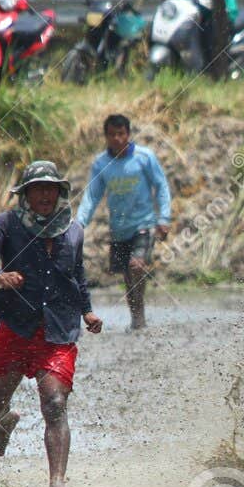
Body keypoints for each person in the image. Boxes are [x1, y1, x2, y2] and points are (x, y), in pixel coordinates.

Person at [0, 161, 103, 487]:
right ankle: (4, 420)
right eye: (37, 188)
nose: (44, 194)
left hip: (58, 332)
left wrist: (87, 312)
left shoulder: (74, 231)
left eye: (50, 188)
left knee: (55, 403)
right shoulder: (5, 225)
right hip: (16, 328)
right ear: (25, 195)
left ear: (60, 192)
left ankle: (57, 482)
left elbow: (77, 276)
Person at [77, 114, 172, 330]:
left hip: (144, 225)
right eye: (112, 135)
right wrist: (80, 223)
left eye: (121, 134)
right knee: (128, 277)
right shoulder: (102, 163)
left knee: (136, 265)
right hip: (119, 230)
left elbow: (162, 185)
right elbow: (92, 196)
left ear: (128, 135)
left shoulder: (144, 157)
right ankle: (138, 319)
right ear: (106, 137)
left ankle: (139, 317)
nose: (117, 139)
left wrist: (164, 218)